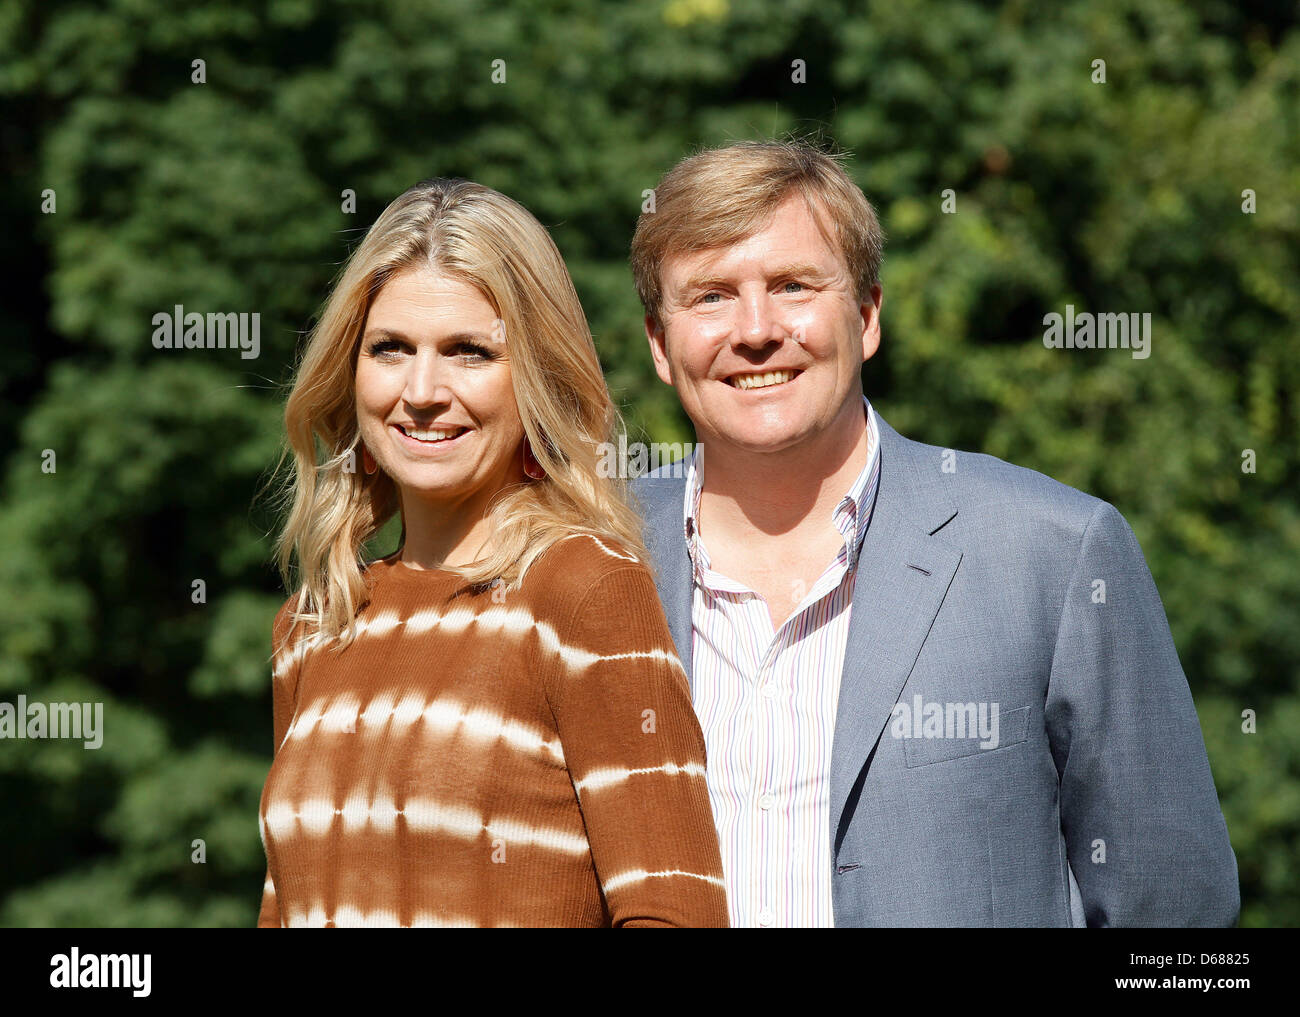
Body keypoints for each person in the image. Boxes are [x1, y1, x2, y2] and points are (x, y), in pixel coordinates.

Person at [627, 139, 1239, 927]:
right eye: (711, 296)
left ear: (867, 315)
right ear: (659, 344)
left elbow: (1175, 909)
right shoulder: (586, 553)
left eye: (792, 285)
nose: (756, 329)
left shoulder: (1052, 552)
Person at [256, 177, 728, 927]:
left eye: (469, 352)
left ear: (536, 379)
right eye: (390, 348)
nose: (421, 390)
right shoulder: (312, 628)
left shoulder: (584, 589)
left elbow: (675, 910)